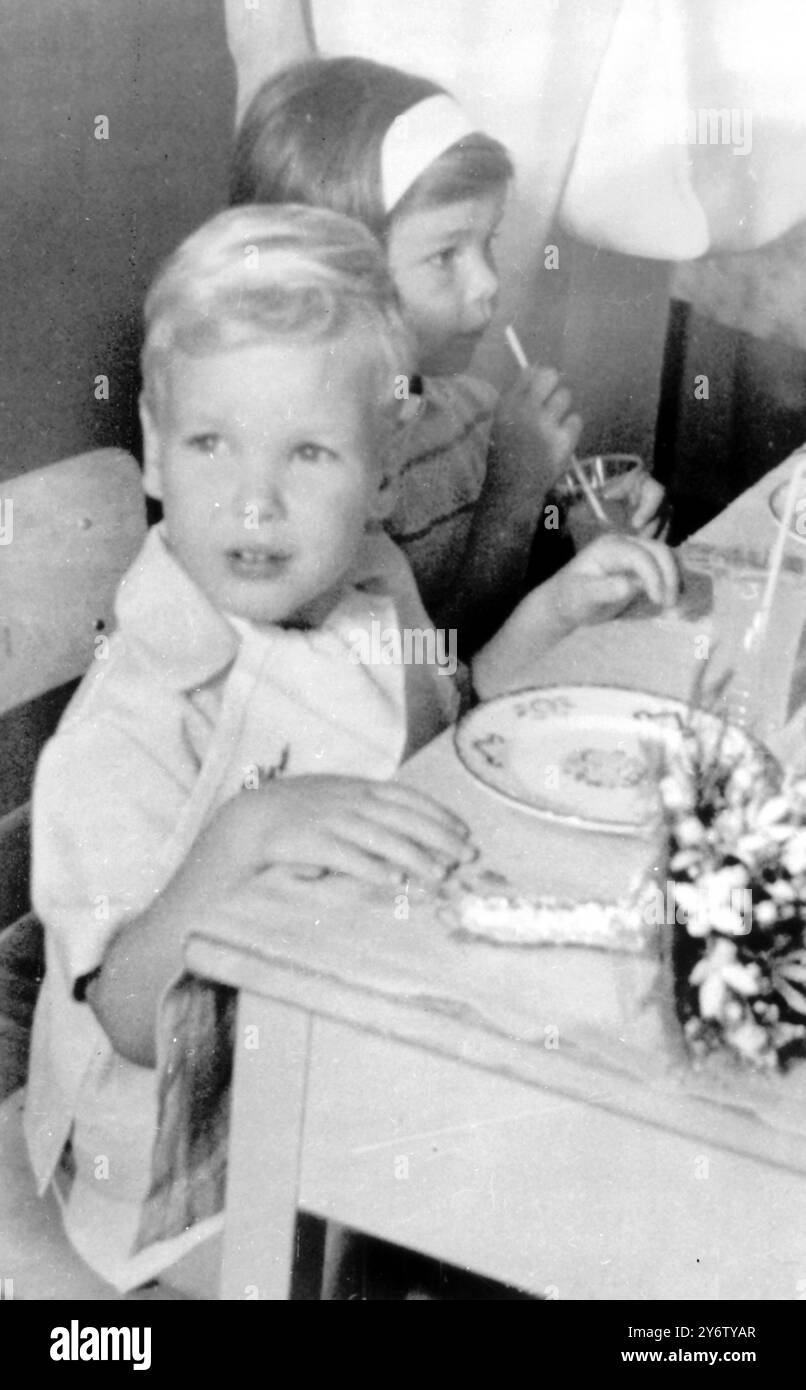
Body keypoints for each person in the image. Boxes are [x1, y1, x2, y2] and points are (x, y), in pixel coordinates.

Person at [24, 202, 677, 1295]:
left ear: (381, 471)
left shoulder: (369, 582)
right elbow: (132, 1018)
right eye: (209, 442)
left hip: (349, 1037)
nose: (255, 498)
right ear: (152, 447)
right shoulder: (135, 716)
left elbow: (436, 718)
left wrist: (552, 618)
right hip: (178, 1164)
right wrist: (247, 832)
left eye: (311, 451)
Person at [229, 55, 667, 645]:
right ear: (335, 278)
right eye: (445, 256)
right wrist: (513, 491)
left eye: (488, 241)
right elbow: (431, 681)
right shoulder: (314, 475)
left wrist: (585, 531)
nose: (488, 281)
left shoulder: (472, 411)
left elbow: (521, 593)